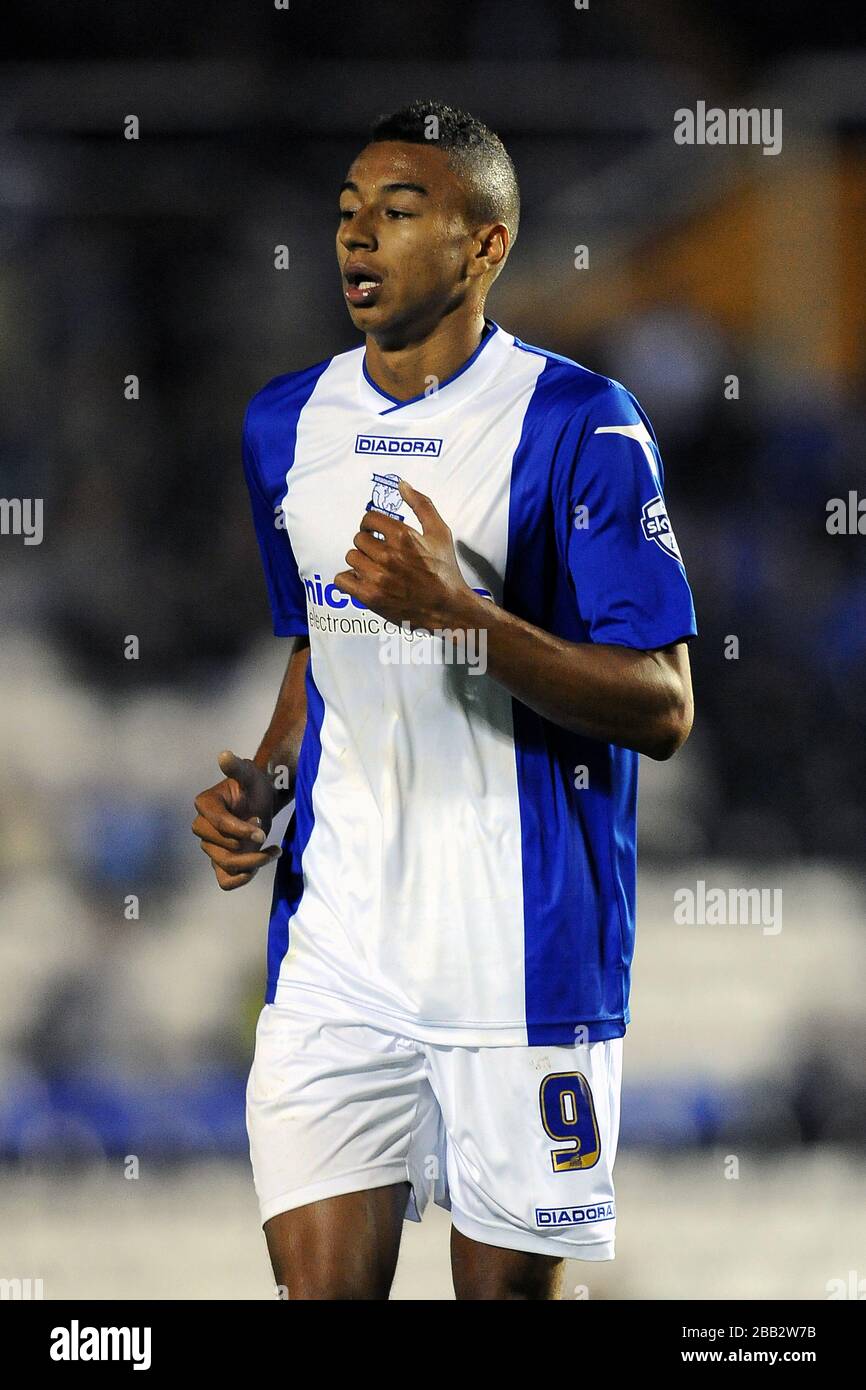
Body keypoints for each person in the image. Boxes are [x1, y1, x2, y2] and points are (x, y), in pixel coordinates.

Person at [192, 101, 697, 1300]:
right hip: (337, 949)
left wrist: (457, 613)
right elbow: (323, 642)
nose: (357, 237)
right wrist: (265, 781)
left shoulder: (582, 425)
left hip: (522, 957)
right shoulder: (285, 423)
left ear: (485, 247)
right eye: (347, 213)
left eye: (399, 211)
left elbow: (661, 706)